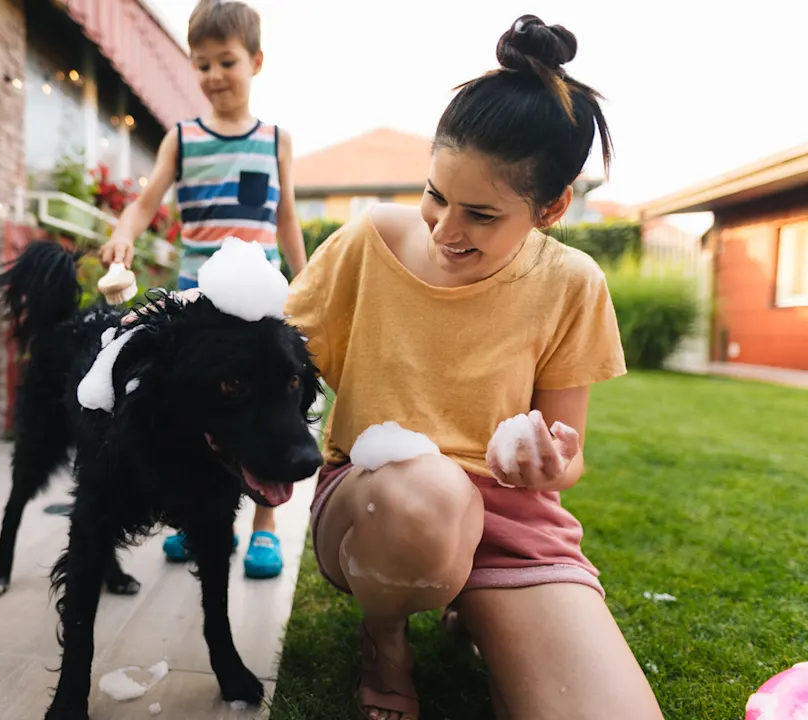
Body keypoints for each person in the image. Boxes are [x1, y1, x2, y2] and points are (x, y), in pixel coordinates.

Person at [277, 15, 665, 720]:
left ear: (551, 207)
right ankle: (386, 637)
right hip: (380, 508)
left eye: (481, 215)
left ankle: (473, 610)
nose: (445, 230)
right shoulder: (371, 241)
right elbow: (277, 358)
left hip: (510, 523)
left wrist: (553, 465)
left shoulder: (574, 283)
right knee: (428, 494)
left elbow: (568, 453)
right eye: (435, 195)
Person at [98, 0, 307, 580]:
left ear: (256, 62)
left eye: (227, 62)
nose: (214, 76)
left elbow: (286, 217)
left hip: (263, 301)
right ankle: (202, 520)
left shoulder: (275, 140)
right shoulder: (183, 138)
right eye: (203, 65)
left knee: (268, 415)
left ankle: (265, 528)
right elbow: (144, 204)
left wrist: (305, 276)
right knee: (204, 416)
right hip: (199, 303)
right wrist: (122, 237)